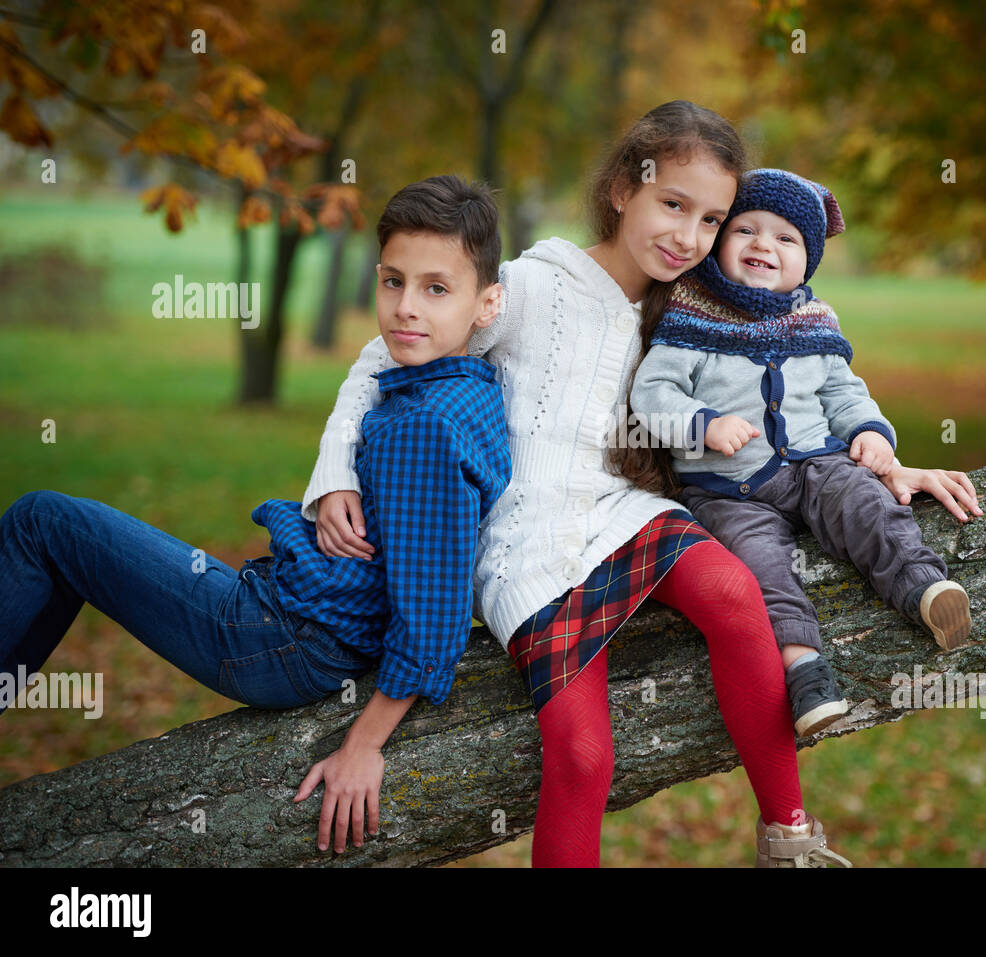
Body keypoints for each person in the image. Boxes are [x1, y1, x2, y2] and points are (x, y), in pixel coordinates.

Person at [304, 101, 853, 867]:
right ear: (625, 187)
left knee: (733, 593)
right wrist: (332, 471)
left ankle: (789, 834)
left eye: (709, 220)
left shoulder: (690, 315)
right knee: (585, 754)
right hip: (523, 546)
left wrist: (884, 458)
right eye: (673, 205)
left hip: (620, 512)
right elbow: (385, 351)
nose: (688, 237)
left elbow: (803, 400)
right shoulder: (534, 285)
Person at [0, 174, 512, 857]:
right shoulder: (468, 386)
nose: (404, 308)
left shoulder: (423, 426)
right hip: (292, 617)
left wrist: (363, 745)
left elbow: (434, 622)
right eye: (392, 281)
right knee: (66, 551)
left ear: (488, 304)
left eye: (435, 288)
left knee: (44, 522)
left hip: (280, 639)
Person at [631, 168, 983, 738]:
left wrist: (871, 432)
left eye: (785, 238)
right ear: (719, 241)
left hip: (817, 465)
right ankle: (805, 670)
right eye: (746, 229)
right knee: (759, 565)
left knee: (865, 501)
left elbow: (842, 391)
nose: (763, 245)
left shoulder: (813, 319)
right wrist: (703, 424)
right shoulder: (692, 314)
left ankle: (922, 586)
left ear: (807, 259)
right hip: (729, 488)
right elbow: (652, 393)